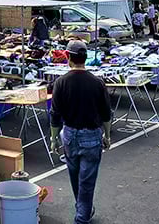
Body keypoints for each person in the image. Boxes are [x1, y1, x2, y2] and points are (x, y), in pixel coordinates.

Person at [50, 40, 111, 224]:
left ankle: (83, 210)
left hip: (69, 135)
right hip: (91, 135)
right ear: (85, 58)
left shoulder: (61, 82)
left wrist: (53, 139)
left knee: (75, 176)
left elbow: (55, 114)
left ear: (68, 57)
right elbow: (106, 113)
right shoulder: (97, 83)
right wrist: (107, 136)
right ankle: (82, 216)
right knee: (87, 180)